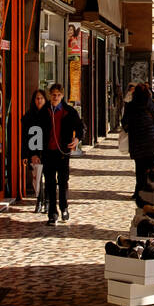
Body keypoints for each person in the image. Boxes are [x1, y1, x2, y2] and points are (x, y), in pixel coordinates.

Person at [44, 83, 84, 226]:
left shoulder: (69, 111)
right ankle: (52, 213)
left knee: (62, 181)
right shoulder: (44, 111)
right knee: (49, 183)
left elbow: (80, 127)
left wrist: (77, 139)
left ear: (62, 96)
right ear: (50, 95)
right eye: (53, 95)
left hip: (62, 152)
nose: (55, 97)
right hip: (48, 152)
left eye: (58, 95)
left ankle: (64, 207)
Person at [122, 81, 154, 199]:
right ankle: (151, 190)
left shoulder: (131, 106)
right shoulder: (151, 105)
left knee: (140, 168)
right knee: (152, 167)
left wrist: (128, 128)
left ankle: (139, 191)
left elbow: (124, 122)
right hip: (151, 142)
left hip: (137, 142)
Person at [21, 88, 51, 212]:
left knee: (48, 178)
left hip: (48, 152)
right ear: (34, 100)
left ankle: (48, 202)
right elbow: (25, 137)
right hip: (33, 152)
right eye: (37, 98)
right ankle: (39, 200)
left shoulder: (50, 115)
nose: (39, 101)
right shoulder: (28, 116)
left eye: (41, 98)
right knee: (36, 178)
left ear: (45, 100)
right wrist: (28, 155)